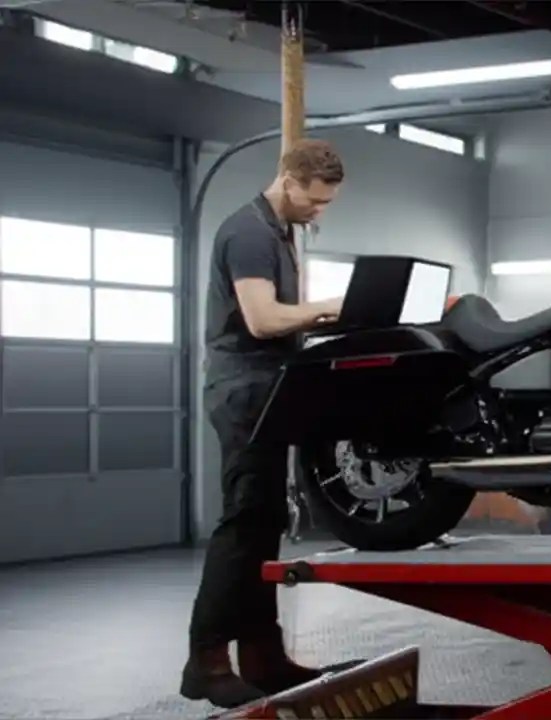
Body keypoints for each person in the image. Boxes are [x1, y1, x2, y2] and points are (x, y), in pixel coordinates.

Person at [181, 139, 350, 708]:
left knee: (264, 521)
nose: (318, 212)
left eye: (327, 203)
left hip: (266, 389)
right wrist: (328, 307)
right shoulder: (249, 232)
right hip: (242, 391)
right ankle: (206, 660)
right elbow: (262, 318)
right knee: (243, 522)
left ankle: (262, 655)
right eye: (315, 201)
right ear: (288, 179)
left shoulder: (278, 232)